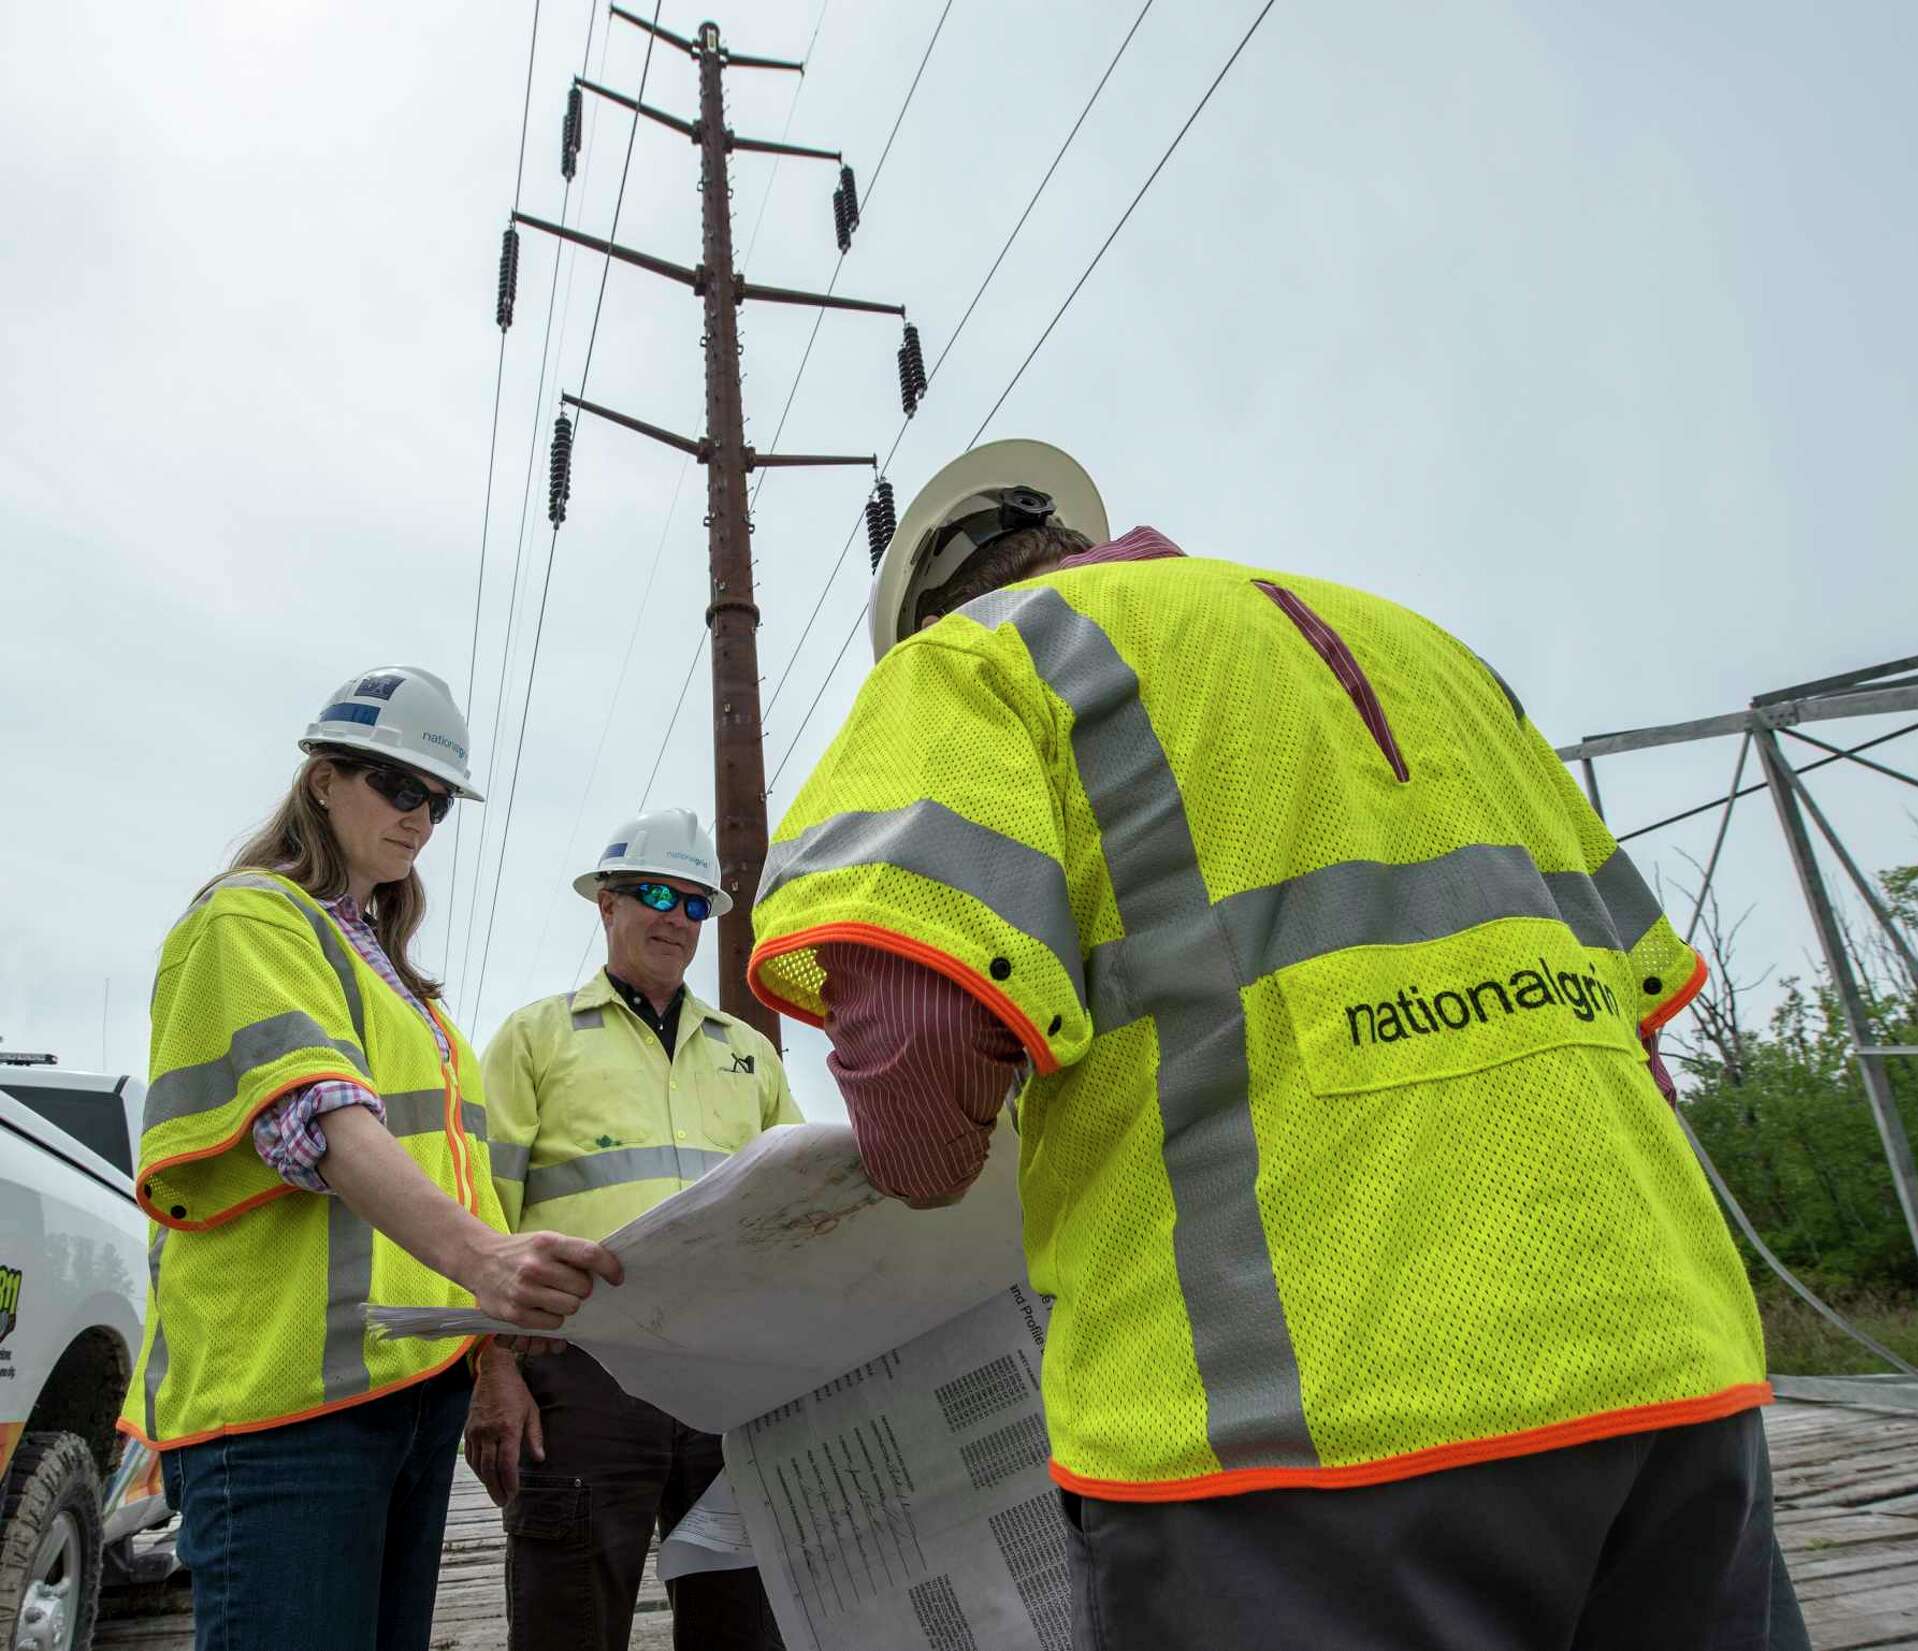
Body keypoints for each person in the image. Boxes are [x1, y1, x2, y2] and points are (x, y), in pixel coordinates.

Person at [745, 442, 1801, 1650]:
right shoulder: (1427, 649)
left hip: (1294, 1444)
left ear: (933, 610)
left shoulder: (976, 663)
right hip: (1673, 1369)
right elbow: (1633, 1013)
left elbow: (923, 1113)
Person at [120, 665, 623, 1651]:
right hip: (280, 1414)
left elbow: (451, 1180)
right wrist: (490, 1264)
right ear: (322, 779)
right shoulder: (251, 917)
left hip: (406, 1391)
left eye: (437, 801)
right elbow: (325, 1125)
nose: (421, 818)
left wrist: (485, 1360)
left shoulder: (408, 995)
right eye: (400, 788)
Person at [465, 808, 799, 1651]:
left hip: (730, 1381)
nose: (675, 918)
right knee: (569, 1613)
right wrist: (490, 1366)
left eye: (695, 904)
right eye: (654, 893)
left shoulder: (748, 1052)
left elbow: (797, 1205)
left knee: (743, 1621)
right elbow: (477, 1216)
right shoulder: (535, 1039)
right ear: (605, 904)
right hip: (581, 1376)